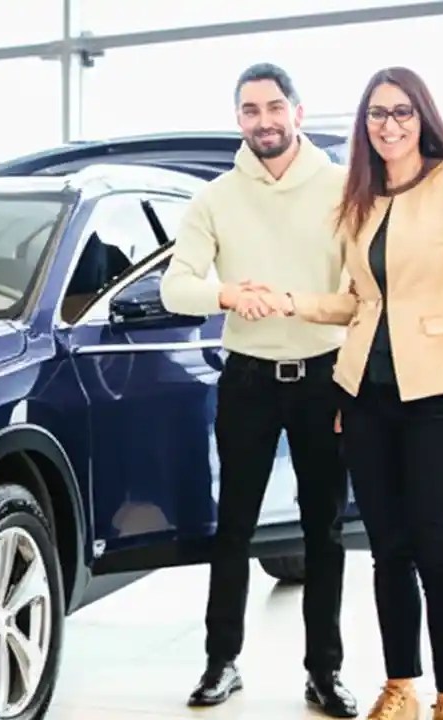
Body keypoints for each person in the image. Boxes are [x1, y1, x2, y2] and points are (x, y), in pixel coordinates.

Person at [267, 67, 443, 720]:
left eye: (402, 113)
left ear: (423, 117)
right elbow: (360, 302)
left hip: (439, 395)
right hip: (364, 400)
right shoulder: (362, 200)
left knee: (437, 547)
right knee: (388, 553)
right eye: (377, 115)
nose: (389, 126)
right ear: (364, 126)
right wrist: (290, 301)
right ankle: (402, 686)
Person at [160, 62, 358, 718]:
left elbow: (363, 296)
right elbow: (174, 286)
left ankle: (324, 673)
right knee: (233, 527)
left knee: (322, 530)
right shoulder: (215, 197)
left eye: (275, 107)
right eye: (250, 110)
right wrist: (225, 293)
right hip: (246, 380)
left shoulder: (340, 187)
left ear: (298, 112)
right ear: (238, 120)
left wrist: (300, 306)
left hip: (325, 380)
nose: (264, 121)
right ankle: (221, 663)